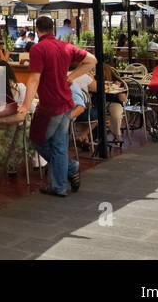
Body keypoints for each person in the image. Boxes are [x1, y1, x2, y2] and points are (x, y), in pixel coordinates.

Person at [14, 14, 96, 197]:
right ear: (53, 29)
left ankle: (70, 168)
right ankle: (59, 185)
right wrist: (72, 77)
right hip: (67, 103)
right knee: (59, 144)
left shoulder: (38, 49)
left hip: (50, 105)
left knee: (36, 140)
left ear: (36, 30)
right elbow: (92, 60)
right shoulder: (65, 46)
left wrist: (26, 105)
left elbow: (34, 78)